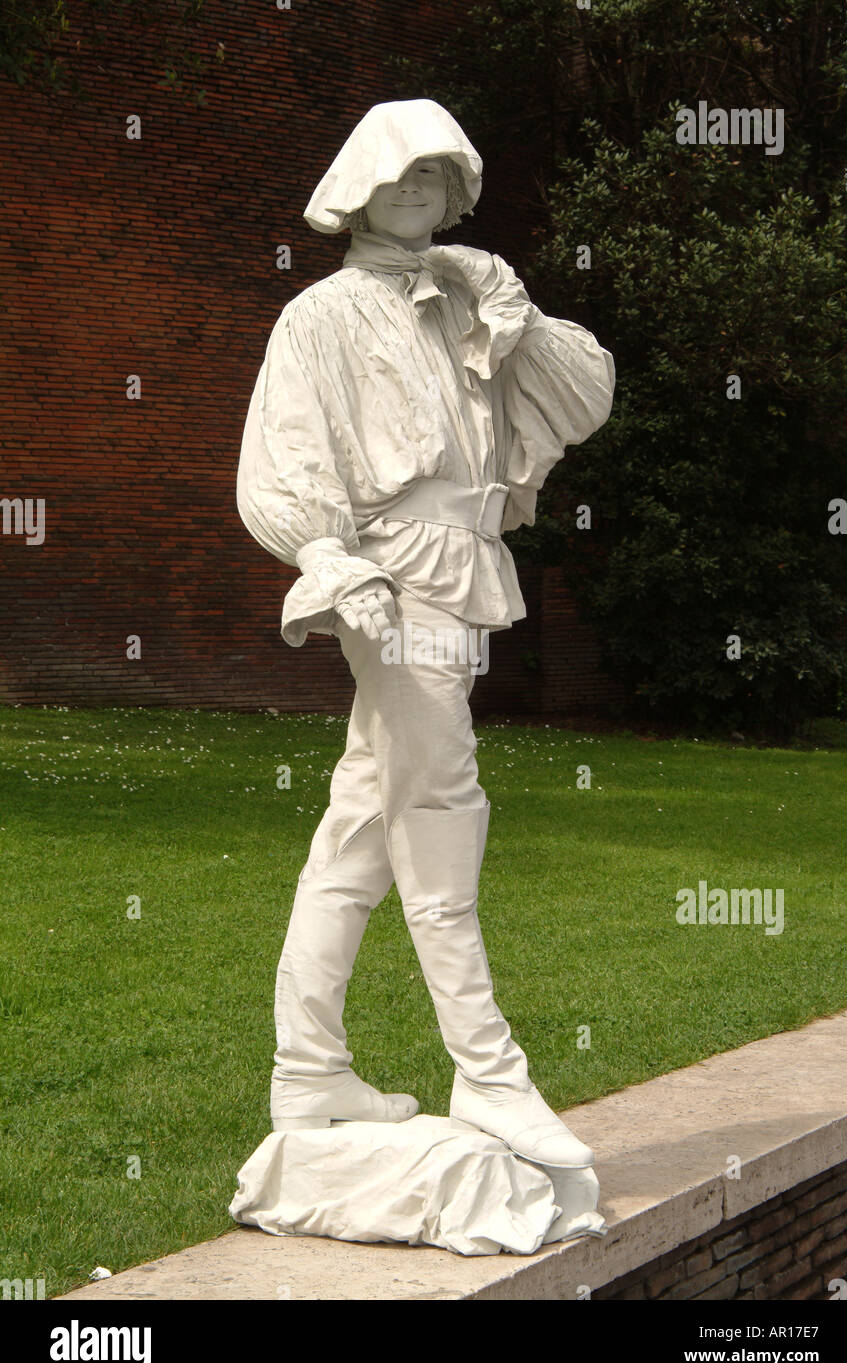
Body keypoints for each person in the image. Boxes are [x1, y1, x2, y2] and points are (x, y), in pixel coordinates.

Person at [237, 99, 615, 1168]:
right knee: (441, 805)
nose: (418, 196)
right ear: (357, 188)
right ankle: (487, 1071)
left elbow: (581, 398)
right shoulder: (317, 318)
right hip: (393, 581)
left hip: (462, 559)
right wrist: (332, 559)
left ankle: (306, 1071)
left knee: (360, 820)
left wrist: (513, 310)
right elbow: (283, 459)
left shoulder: (465, 305)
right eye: (399, 177)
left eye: (436, 181)